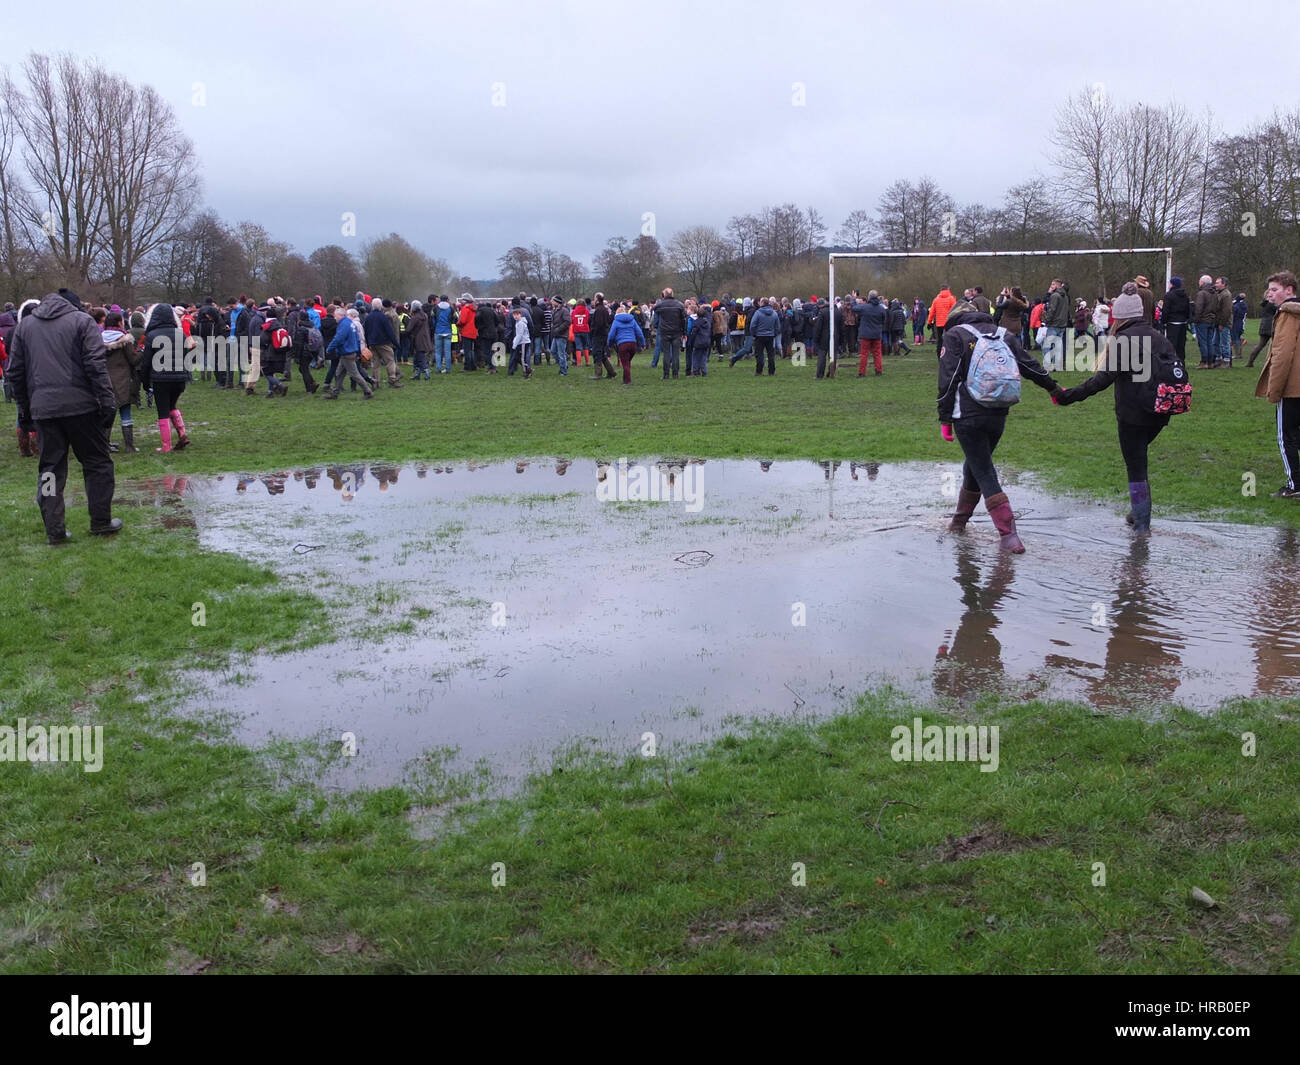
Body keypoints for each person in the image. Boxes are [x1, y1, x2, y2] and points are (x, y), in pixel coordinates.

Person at [937, 300, 1061, 553]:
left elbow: (947, 380)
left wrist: (945, 418)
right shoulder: (1004, 334)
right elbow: (1029, 366)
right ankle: (958, 523)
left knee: (984, 471)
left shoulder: (955, 336)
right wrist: (1054, 389)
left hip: (968, 415)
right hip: (999, 412)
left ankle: (1009, 536)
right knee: (975, 464)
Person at [1054, 283, 1179, 533]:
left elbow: (1102, 379)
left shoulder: (1124, 339)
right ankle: (1138, 513)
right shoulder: (1159, 337)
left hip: (1133, 413)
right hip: (1161, 411)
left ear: (1119, 316)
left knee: (1136, 465)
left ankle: (1142, 523)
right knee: (1140, 459)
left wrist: (1070, 396)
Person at [6, 289, 121, 543]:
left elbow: (15, 372)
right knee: (97, 464)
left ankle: (54, 529)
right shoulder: (82, 322)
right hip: (82, 407)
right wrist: (106, 401)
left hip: (45, 409)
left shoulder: (26, 327)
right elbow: (95, 365)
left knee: (50, 470)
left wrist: (25, 410)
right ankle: (100, 521)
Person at [1252, 270, 1300, 497]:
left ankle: (1295, 485)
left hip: (1292, 385)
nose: (1269, 294)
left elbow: (1281, 354)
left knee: (1286, 435)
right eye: (1268, 290)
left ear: (1289, 290)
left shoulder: (1287, 314)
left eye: (1274, 289)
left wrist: (1275, 389)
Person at [141, 302, 195, 450]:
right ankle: (182, 434)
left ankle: (166, 446)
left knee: (163, 411)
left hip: (160, 378)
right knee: (172, 406)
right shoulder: (180, 334)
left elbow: (146, 362)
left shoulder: (151, 335)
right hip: (179, 377)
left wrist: (145, 382)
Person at [101, 311, 140, 453]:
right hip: (122, 379)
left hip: (104, 379)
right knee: (125, 412)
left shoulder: (97, 339)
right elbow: (133, 360)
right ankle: (129, 446)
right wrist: (141, 351)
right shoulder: (125, 340)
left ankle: (104, 444)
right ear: (119, 322)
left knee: (108, 413)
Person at [322, 307, 373, 399]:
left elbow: (339, 338)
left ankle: (368, 392)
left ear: (341, 315)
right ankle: (335, 392)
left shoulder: (344, 325)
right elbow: (357, 338)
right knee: (339, 373)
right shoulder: (350, 323)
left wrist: (329, 348)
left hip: (347, 353)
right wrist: (357, 351)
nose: (335, 318)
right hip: (349, 352)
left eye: (335, 316)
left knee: (355, 374)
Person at [365, 298, 403, 385]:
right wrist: (396, 343)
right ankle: (393, 380)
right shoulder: (383, 317)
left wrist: (368, 343)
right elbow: (390, 331)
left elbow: (366, 331)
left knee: (375, 364)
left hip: (372, 343)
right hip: (383, 343)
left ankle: (375, 381)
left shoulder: (368, 317)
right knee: (390, 361)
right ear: (380, 306)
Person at [606, 301, 645, 385]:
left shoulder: (616, 321)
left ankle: (627, 381)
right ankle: (625, 379)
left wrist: (609, 344)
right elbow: (639, 332)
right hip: (633, 344)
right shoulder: (632, 320)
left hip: (623, 344)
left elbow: (611, 335)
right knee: (627, 362)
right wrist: (643, 344)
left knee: (625, 363)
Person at [851, 290, 887, 376]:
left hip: (866, 334)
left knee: (864, 354)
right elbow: (884, 320)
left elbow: (854, 308)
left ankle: (862, 373)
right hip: (877, 334)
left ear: (869, 297)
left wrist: (854, 299)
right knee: (877, 353)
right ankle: (878, 371)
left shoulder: (864, 307)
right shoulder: (881, 308)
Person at [655, 288, 686, 379]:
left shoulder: (660, 305)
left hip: (664, 331)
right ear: (672, 294)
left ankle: (666, 374)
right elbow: (683, 319)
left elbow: (655, 310)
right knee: (676, 353)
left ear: (664, 294)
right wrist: (684, 332)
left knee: (666, 353)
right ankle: (675, 374)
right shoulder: (679, 305)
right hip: (676, 331)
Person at [749, 297, 780, 376]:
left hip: (759, 336)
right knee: (770, 354)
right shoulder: (774, 313)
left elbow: (752, 325)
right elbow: (777, 327)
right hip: (770, 336)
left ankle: (759, 371)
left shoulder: (758, 313)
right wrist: (774, 334)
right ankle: (771, 371)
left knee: (759, 354)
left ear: (762, 303)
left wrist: (754, 334)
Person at [1193, 275, 1218, 368]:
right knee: (1210, 342)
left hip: (1202, 320)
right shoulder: (1214, 293)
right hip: (1211, 320)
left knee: (1203, 342)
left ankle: (1204, 362)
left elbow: (1198, 308)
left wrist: (1196, 319)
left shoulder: (1202, 293)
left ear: (1202, 283)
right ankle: (1211, 362)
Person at [1162, 277, 1190, 362]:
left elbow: (1166, 310)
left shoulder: (1169, 295)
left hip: (1172, 322)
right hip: (1183, 322)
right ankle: (1181, 362)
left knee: (1171, 344)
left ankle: (1171, 361)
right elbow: (1188, 309)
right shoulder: (1185, 295)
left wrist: (1164, 321)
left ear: (1172, 284)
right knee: (1181, 345)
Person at [1246, 293, 1277, 367]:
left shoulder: (1264, 304)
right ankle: (1274, 362)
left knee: (1260, 345)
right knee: (1276, 345)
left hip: (1263, 326)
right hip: (1271, 326)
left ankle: (1250, 362)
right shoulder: (1271, 305)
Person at [405, 300, 433, 379]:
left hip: (417, 339)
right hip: (425, 337)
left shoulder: (415, 317)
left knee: (420, 357)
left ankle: (426, 372)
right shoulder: (425, 315)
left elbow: (409, 329)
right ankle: (417, 375)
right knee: (417, 357)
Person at [686, 298, 712, 376]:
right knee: (704, 357)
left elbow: (693, 333)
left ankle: (695, 371)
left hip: (698, 342)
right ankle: (704, 371)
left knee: (696, 357)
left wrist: (692, 341)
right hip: (706, 341)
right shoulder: (707, 322)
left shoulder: (697, 323)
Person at [1215, 277, 1234, 368]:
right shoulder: (1219, 293)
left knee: (1224, 342)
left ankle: (1226, 361)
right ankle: (1218, 359)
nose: (1216, 284)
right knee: (1215, 342)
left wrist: (1222, 323)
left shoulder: (1226, 295)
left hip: (1224, 323)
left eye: (1218, 283)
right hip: (1218, 322)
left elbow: (1227, 311)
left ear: (1223, 284)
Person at [510, 307, 533, 378]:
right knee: (518, 358)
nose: (515, 316)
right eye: (514, 315)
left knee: (522, 358)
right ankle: (528, 369)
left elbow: (519, 335)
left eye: (517, 314)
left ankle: (526, 373)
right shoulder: (518, 323)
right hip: (522, 342)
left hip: (523, 342)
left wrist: (514, 345)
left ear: (520, 315)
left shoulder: (520, 323)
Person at [1232, 291, 1248, 363]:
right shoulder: (1244, 305)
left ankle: (1237, 354)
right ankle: (1239, 354)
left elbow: (1233, 315)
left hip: (1236, 323)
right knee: (1238, 338)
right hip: (1242, 323)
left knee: (1235, 339)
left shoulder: (1236, 306)